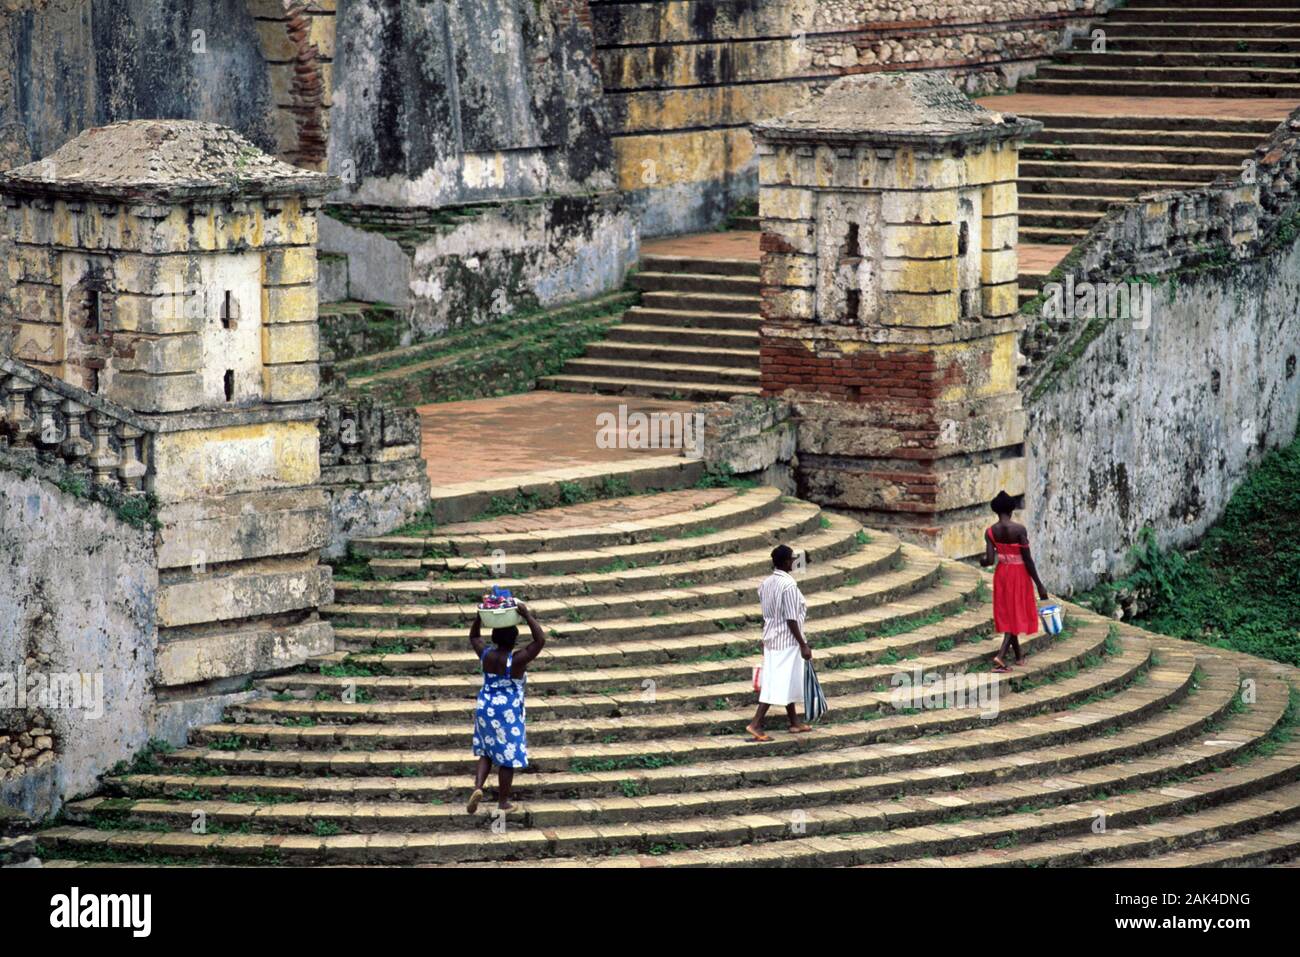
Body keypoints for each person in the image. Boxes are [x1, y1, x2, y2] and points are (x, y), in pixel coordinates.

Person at [467, 600, 545, 813]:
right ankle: (503, 802)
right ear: (514, 641)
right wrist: (527, 616)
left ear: (493, 638)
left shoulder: (486, 655)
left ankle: (478, 787)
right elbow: (540, 641)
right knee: (507, 758)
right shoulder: (517, 660)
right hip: (507, 713)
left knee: (486, 751)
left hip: (485, 707)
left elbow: (474, 637)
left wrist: (479, 618)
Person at [746, 544, 814, 742]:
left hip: (771, 638)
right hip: (788, 640)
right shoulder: (789, 586)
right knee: (777, 682)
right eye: (792, 559)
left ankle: (794, 721)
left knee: (786, 677)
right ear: (786, 562)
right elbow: (791, 619)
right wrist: (803, 644)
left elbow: (768, 614)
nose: (794, 562)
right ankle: (756, 723)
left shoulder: (766, 583)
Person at [979, 490, 1049, 673]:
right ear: (1011, 510)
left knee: (1010, 612)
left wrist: (982, 561)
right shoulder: (1019, 530)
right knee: (1016, 613)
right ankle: (1000, 657)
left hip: (1002, 574)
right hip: (1018, 574)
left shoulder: (990, 532)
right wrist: (1039, 584)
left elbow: (989, 560)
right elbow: (1027, 559)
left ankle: (1018, 656)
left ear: (995, 510)